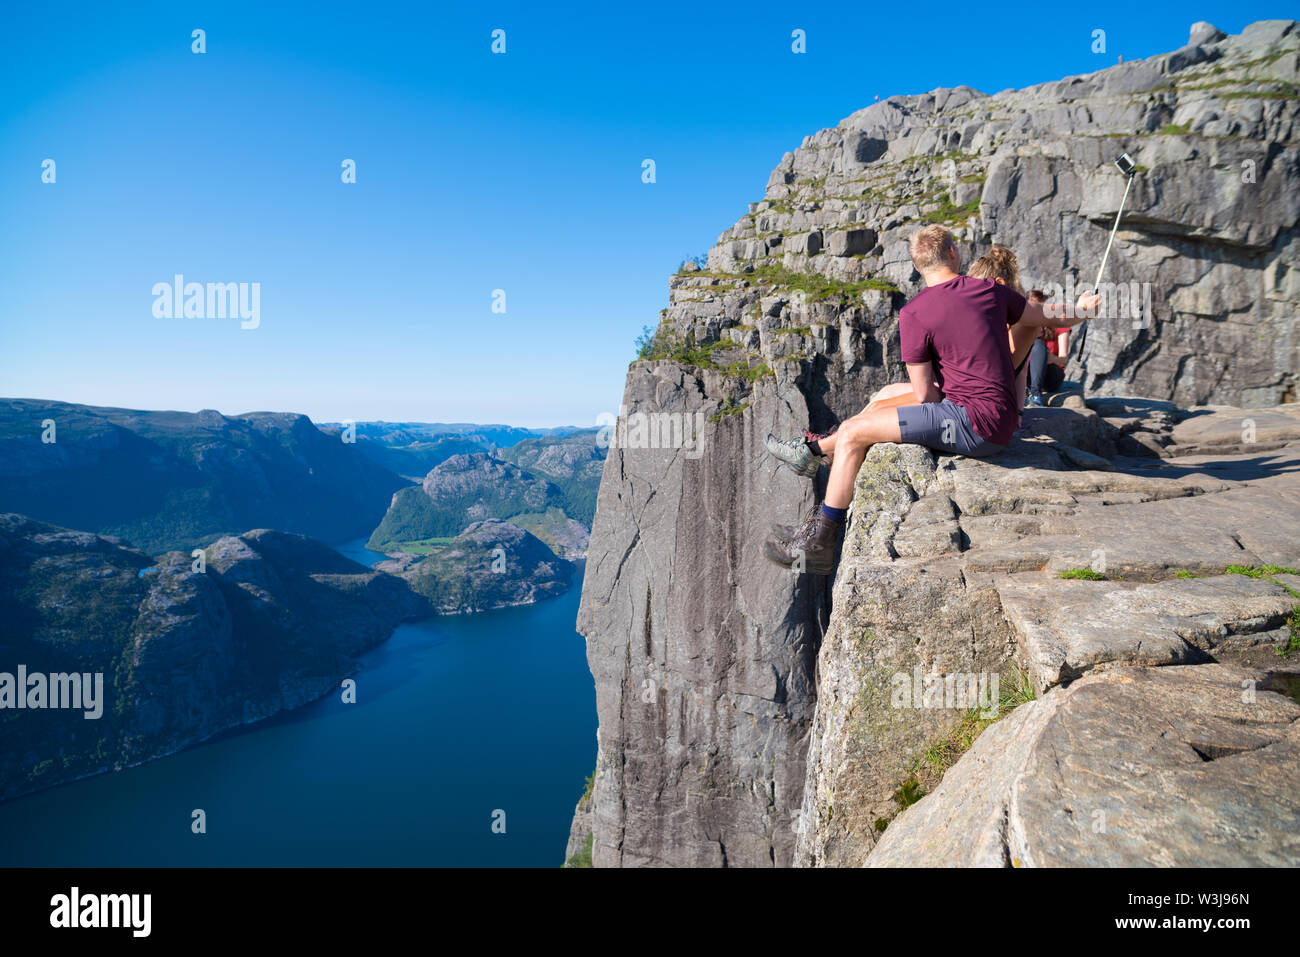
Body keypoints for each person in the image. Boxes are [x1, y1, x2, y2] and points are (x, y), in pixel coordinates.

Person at [762, 225, 1098, 575]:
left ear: (916, 264)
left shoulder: (913, 314)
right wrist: (1085, 308)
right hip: (993, 420)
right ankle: (817, 524)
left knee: (852, 432)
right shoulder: (991, 292)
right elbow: (1051, 316)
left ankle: (819, 544)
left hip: (971, 424)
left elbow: (925, 395)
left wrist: (936, 411)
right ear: (953, 253)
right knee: (864, 422)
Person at [1026, 323, 1070, 406]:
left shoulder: (1060, 327)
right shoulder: (1028, 324)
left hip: (1051, 376)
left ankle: (1035, 395)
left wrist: (1051, 358)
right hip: (1029, 374)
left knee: (1038, 344)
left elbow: (1064, 359)